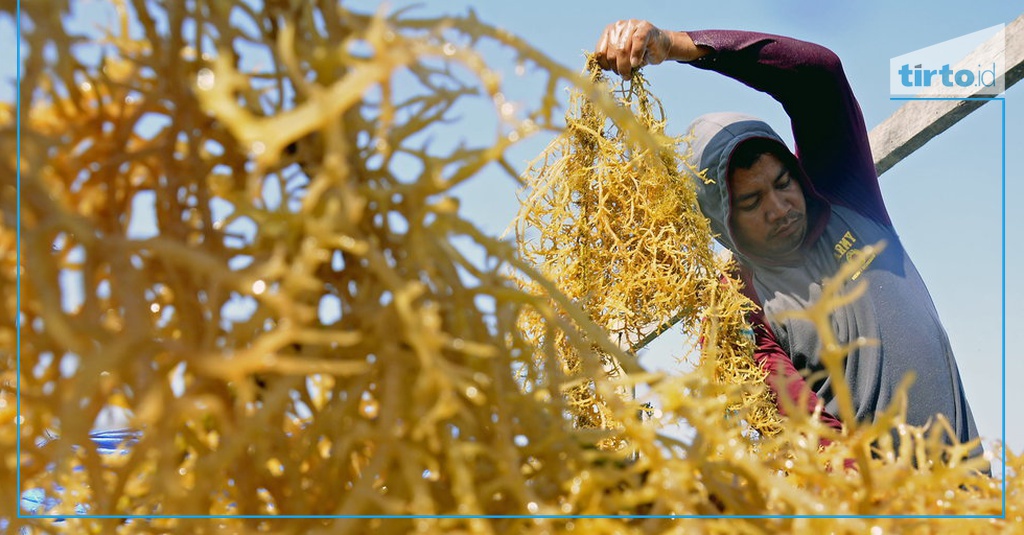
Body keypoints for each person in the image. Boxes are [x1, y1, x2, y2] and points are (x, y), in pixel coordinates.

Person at [593, 20, 982, 455]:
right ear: (722, 219)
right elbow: (811, 434)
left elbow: (819, 75)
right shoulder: (739, 310)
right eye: (751, 200)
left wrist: (678, 45)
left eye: (782, 183)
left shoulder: (846, 200)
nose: (778, 208)